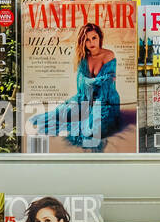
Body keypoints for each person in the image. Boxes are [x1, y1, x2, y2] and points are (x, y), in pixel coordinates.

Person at [28, 23, 121, 151]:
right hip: (85, 97)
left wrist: (92, 82)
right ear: (83, 42)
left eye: (94, 38)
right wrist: (97, 81)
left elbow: (107, 85)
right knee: (62, 113)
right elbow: (82, 83)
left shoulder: (109, 55)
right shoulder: (83, 57)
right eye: (87, 40)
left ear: (100, 38)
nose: (91, 42)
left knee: (93, 128)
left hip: (105, 100)